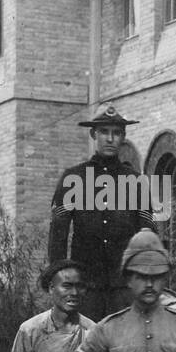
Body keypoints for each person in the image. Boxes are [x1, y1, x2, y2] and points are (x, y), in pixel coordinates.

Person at [48, 103, 155, 321]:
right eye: (104, 132)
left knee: (124, 347)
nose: (110, 139)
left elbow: (148, 235)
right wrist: (59, 281)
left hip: (123, 286)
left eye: (116, 133)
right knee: (86, 346)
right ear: (93, 134)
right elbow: (58, 233)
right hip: (85, 287)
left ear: (123, 137)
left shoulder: (135, 181)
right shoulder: (74, 178)